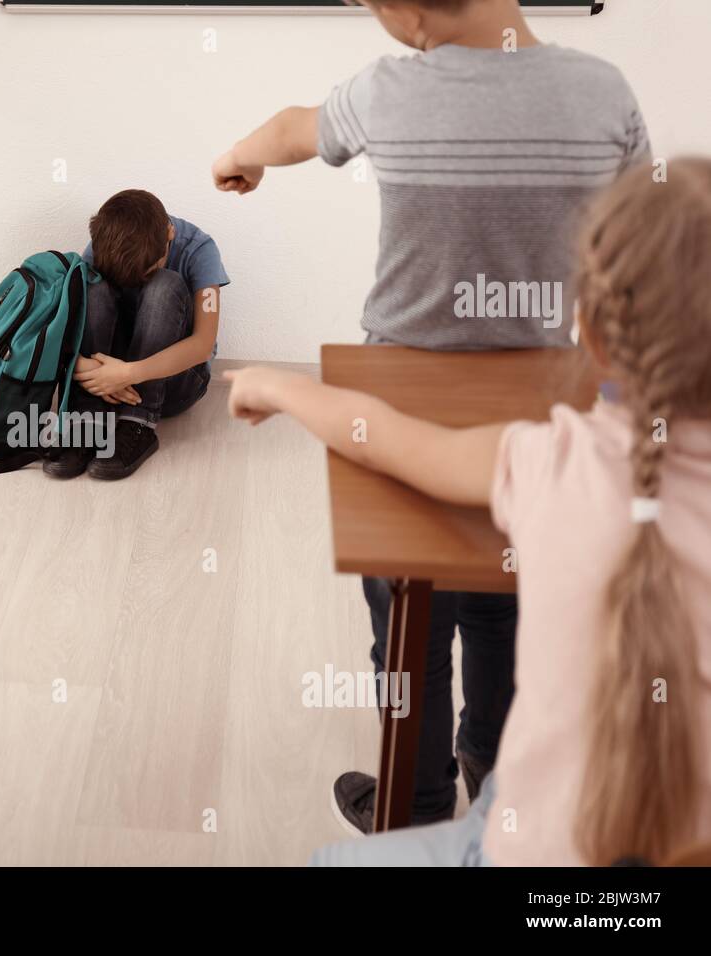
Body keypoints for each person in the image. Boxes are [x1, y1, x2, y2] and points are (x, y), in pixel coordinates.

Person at [210, 0, 651, 831]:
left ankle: (412, 804)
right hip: (541, 414)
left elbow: (292, 128)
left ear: (411, 16)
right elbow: (639, 245)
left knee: (407, 628)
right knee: (504, 603)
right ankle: (492, 769)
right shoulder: (606, 93)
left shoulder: (387, 92)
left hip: (393, 405)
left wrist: (239, 158)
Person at [226, 158, 711, 866]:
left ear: (596, 337)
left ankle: (441, 801)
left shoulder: (550, 460)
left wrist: (277, 386)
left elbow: (383, 439)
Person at [46, 190, 229, 481]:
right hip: (106, 380)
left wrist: (128, 373)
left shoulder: (200, 250)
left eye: (149, 269)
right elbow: (69, 325)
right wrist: (84, 367)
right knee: (91, 285)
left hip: (174, 381)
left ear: (170, 233)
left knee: (164, 285)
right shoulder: (103, 244)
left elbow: (203, 345)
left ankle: (139, 424)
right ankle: (87, 418)